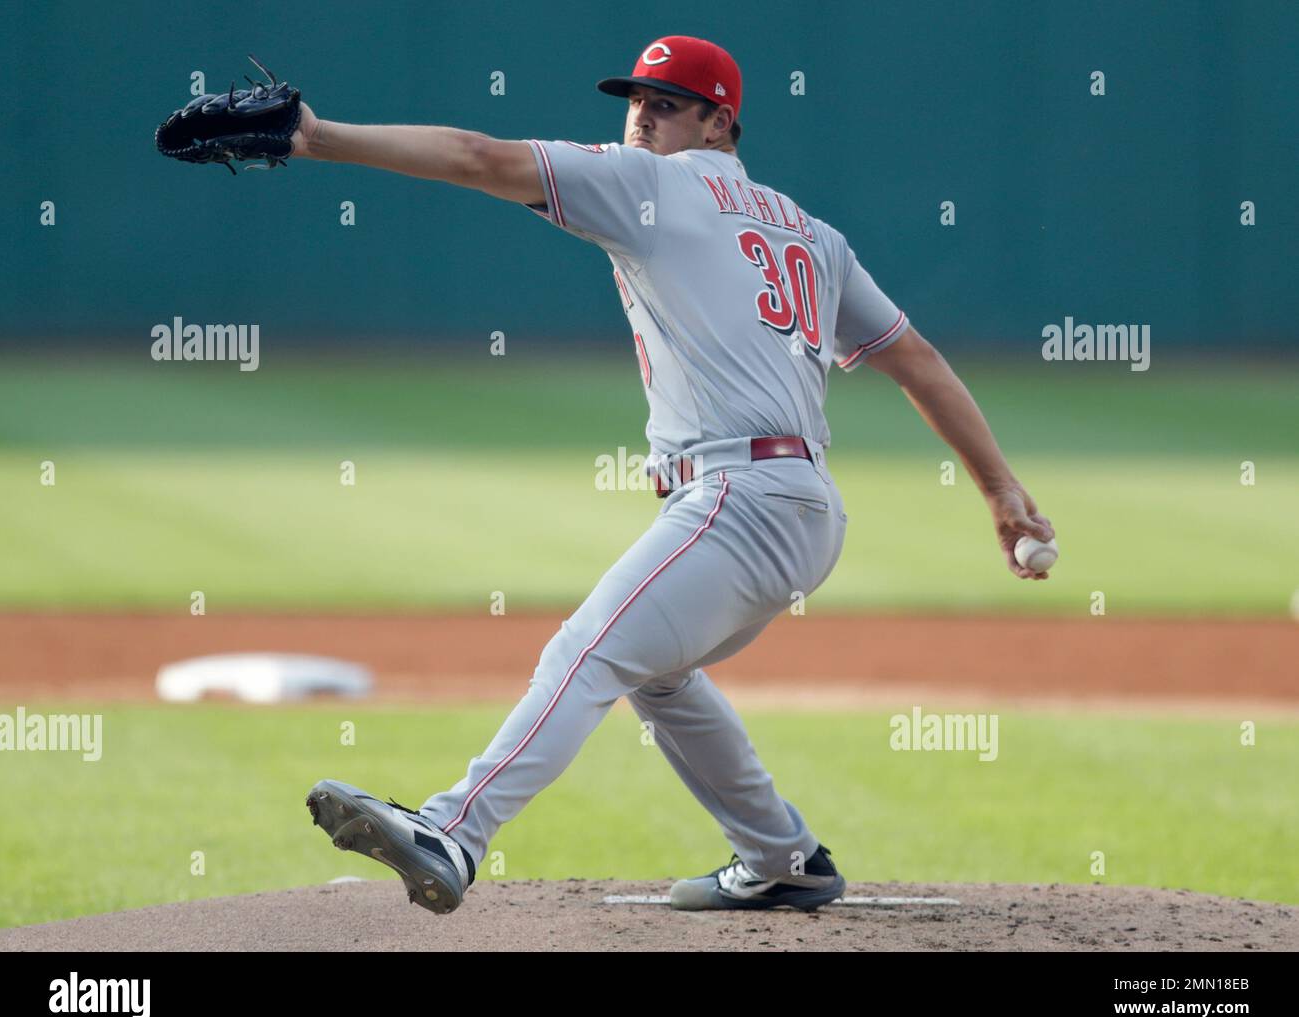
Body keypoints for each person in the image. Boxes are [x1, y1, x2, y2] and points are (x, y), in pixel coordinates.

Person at [303, 35, 1055, 914]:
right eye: (636, 99)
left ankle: (453, 832)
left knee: (583, 651)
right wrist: (999, 486)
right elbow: (916, 358)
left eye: (665, 103)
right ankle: (781, 855)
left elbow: (477, 157)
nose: (641, 116)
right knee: (655, 672)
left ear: (719, 120)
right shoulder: (810, 234)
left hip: (742, 501)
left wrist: (319, 138)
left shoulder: (650, 183)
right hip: (799, 510)